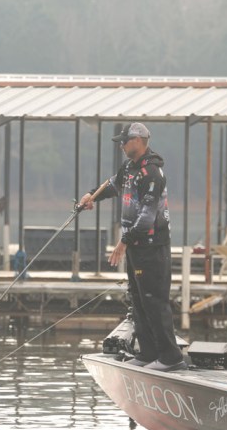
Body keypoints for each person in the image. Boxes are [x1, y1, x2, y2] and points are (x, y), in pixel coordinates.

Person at [78, 122, 186, 372]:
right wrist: (91, 196)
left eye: (124, 141)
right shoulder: (129, 168)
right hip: (136, 246)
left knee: (155, 302)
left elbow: (147, 216)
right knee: (137, 301)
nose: (122, 146)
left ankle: (171, 357)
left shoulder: (152, 173)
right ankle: (148, 352)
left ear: (138, 140)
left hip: (152, 247)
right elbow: (113, 184)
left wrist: (123, 242)